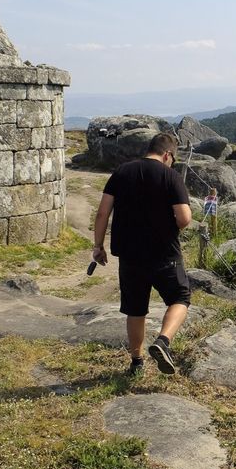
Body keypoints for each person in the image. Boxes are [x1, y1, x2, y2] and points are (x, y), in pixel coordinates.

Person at [92, 132, 192, 376]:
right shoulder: (171, 176)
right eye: (173, 159)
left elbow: (102, 213)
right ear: (168, 154)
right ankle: (163, 342)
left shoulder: (122, 172)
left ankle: (136, 363)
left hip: (129, 254)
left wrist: (98, 246)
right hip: (163, 252)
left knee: (135, 309)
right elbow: (184, 218)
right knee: (180, 297)